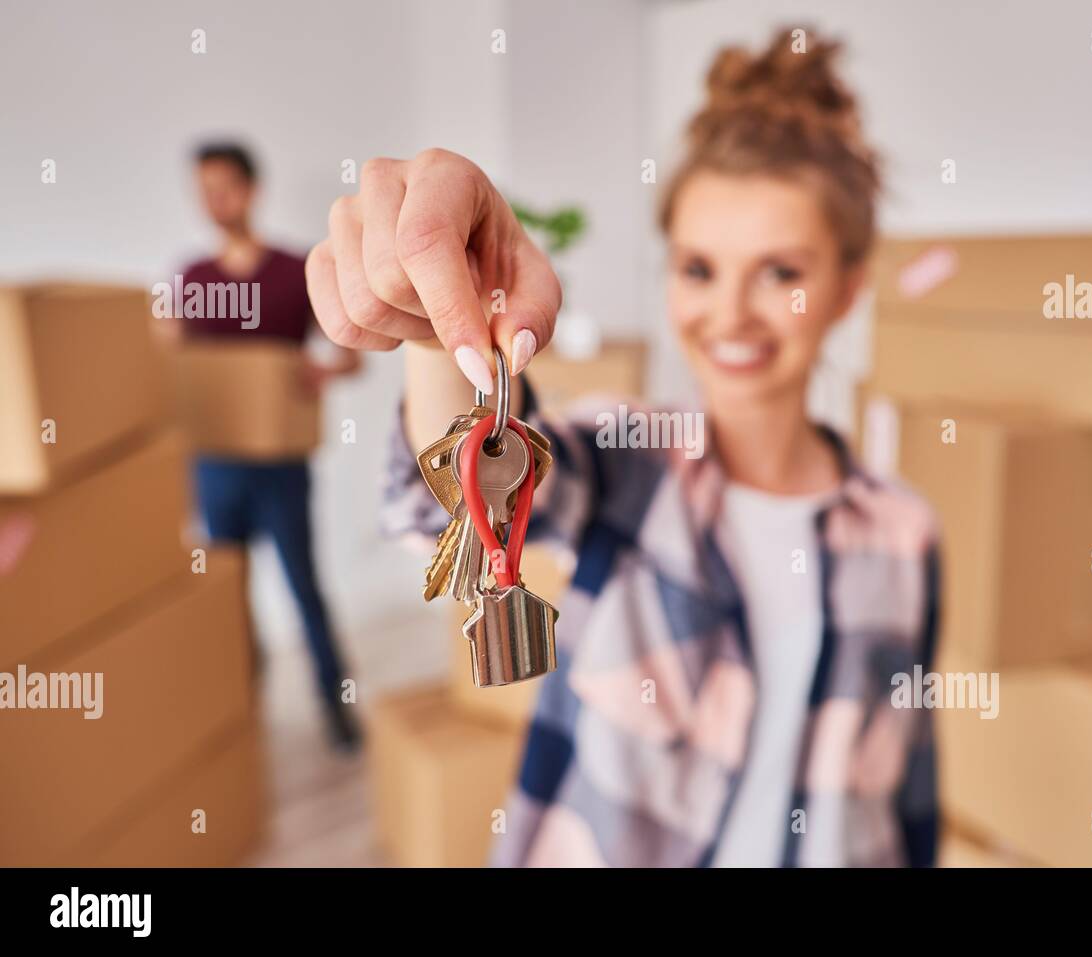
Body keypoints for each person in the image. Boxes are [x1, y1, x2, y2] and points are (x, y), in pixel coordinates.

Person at [307, 30, 940, 864]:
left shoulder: (905, 531)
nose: (731, 313)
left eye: (781, 272)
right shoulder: (628, 460)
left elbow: (910, 790)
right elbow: (451, 502)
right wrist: (444, 325)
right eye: (699, 268)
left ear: (849, 286)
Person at [178, 142, 362, 751]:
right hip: (217, 466)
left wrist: (320, 374)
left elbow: (350, 356)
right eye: (204, 190)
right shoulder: (193, 279)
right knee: (225, 593)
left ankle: (337, 710)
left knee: (304, 587)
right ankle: (238, 709)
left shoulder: (294, 270)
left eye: (224, 187)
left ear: (252, 190)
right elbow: (173, 368)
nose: (214, 201)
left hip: (283, 464)